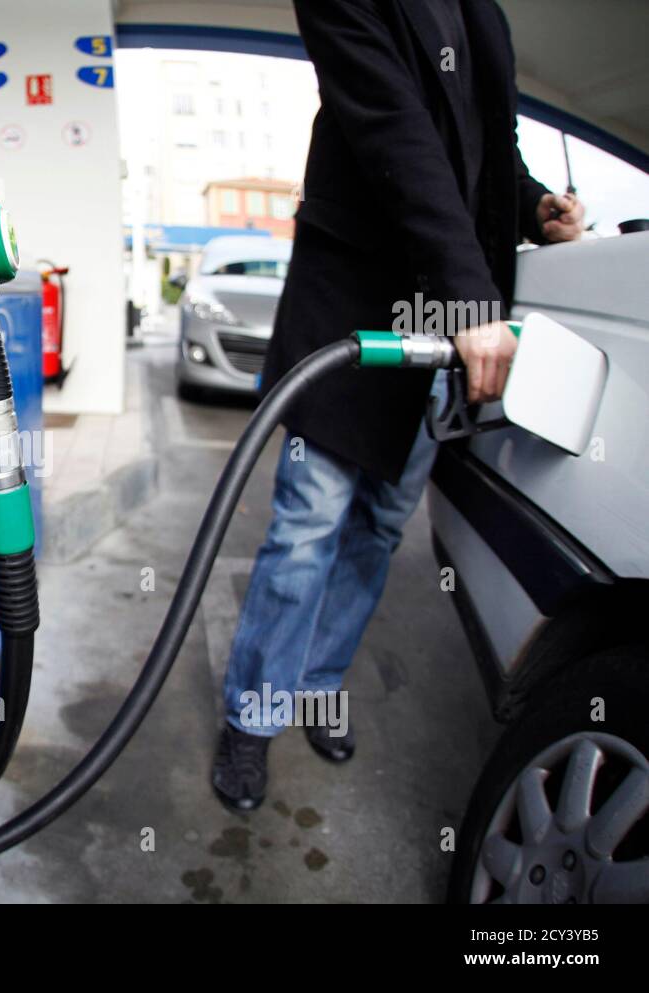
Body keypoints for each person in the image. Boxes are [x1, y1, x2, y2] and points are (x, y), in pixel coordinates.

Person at [212, 0, 586, 811]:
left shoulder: (479, 14)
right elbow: (397, 136)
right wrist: (471, 297)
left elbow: (483, 152)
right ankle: (255, 711)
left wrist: (532, 208)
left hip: (444, 326)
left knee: (380, 526)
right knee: (308, 526)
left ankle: (314, 685)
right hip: (355, 306)